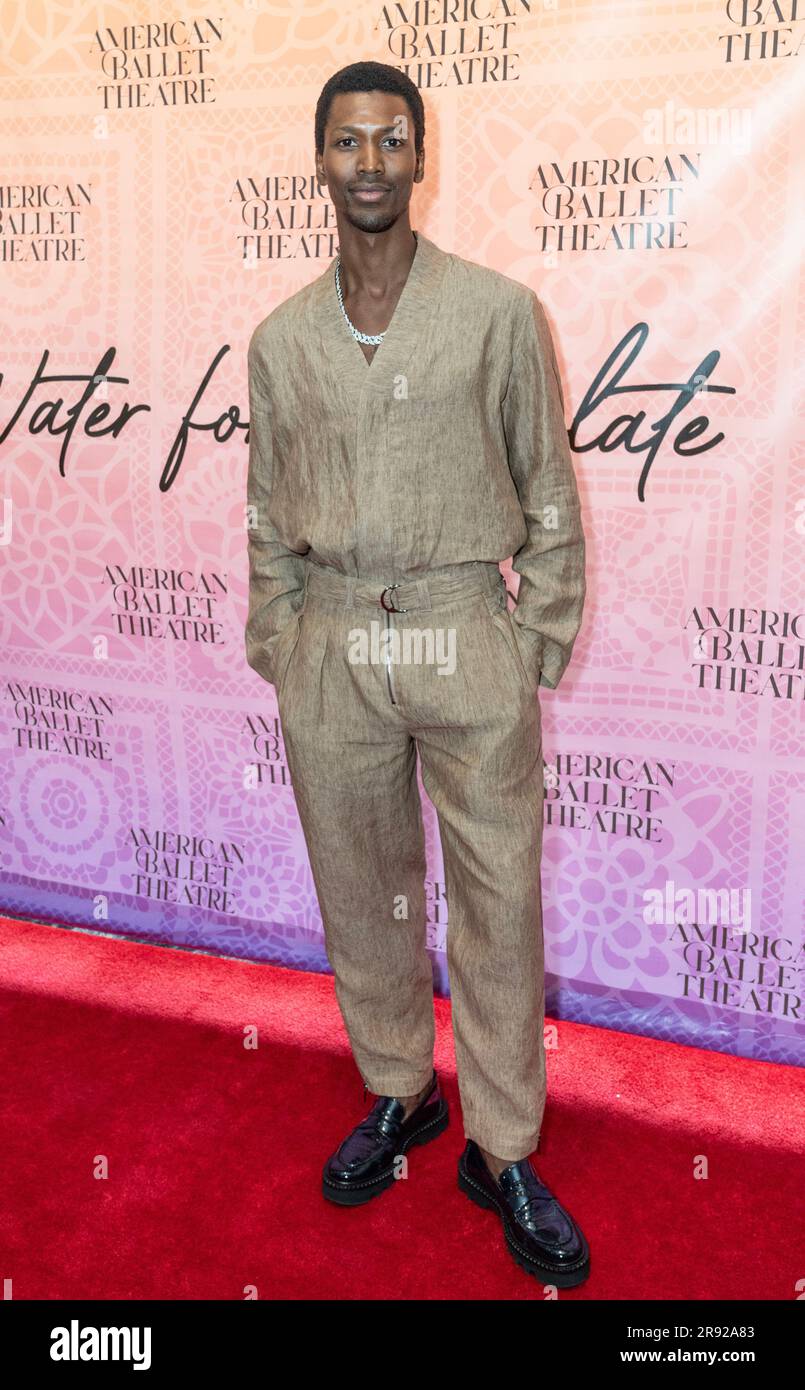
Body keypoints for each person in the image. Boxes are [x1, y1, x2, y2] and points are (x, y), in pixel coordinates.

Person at [245, 60, 588, 1287]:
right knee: (363, 886)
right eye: (349, 141)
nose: (372, 161)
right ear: (320, 161)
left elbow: (545, 483)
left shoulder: (495, 313)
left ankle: (503, 1145)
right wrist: (282, 644)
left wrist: (533, 640)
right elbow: (264, 511)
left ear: (422, 156)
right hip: (332, 642)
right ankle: (400, 1088)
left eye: (393, 139)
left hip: (462, 631)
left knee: (499, 899)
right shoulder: (280, 340)